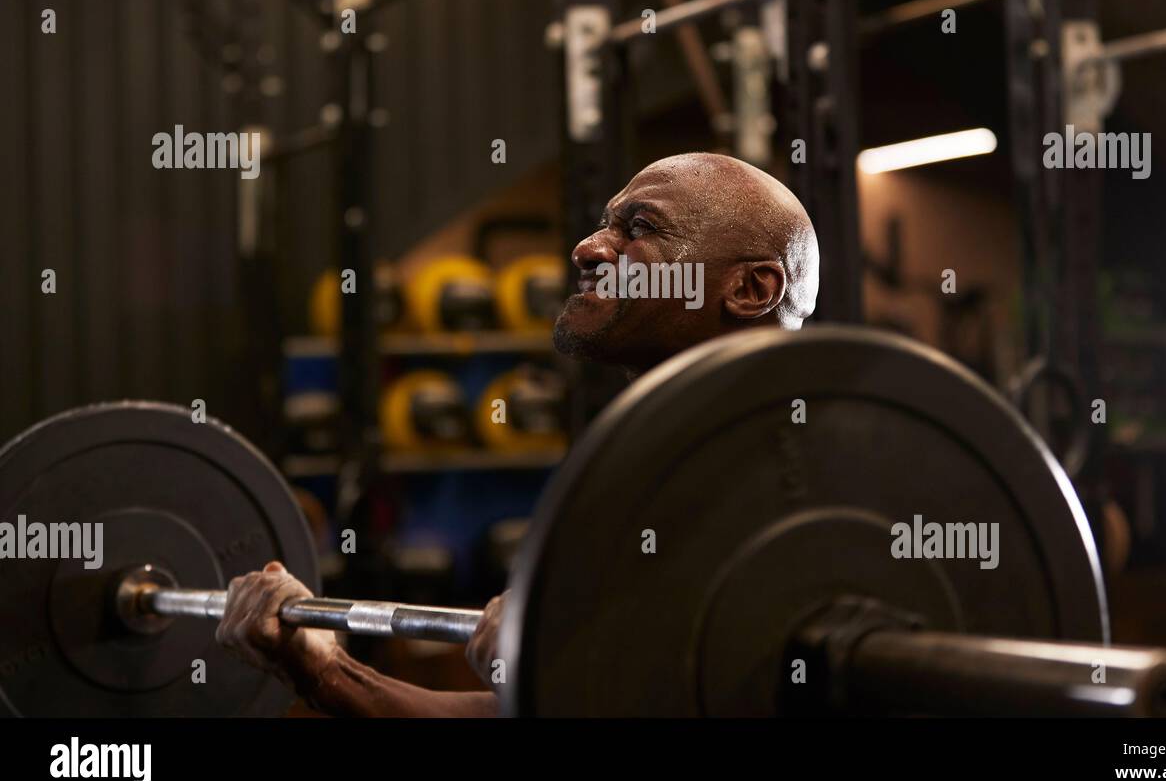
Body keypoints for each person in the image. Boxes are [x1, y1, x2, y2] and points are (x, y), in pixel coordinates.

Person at [216, 152, 820, 716]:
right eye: (602, 224)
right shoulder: (651, 468)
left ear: (750, 289)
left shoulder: (804, 485)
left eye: (639, 230)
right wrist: (319, 665)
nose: (587, 248)